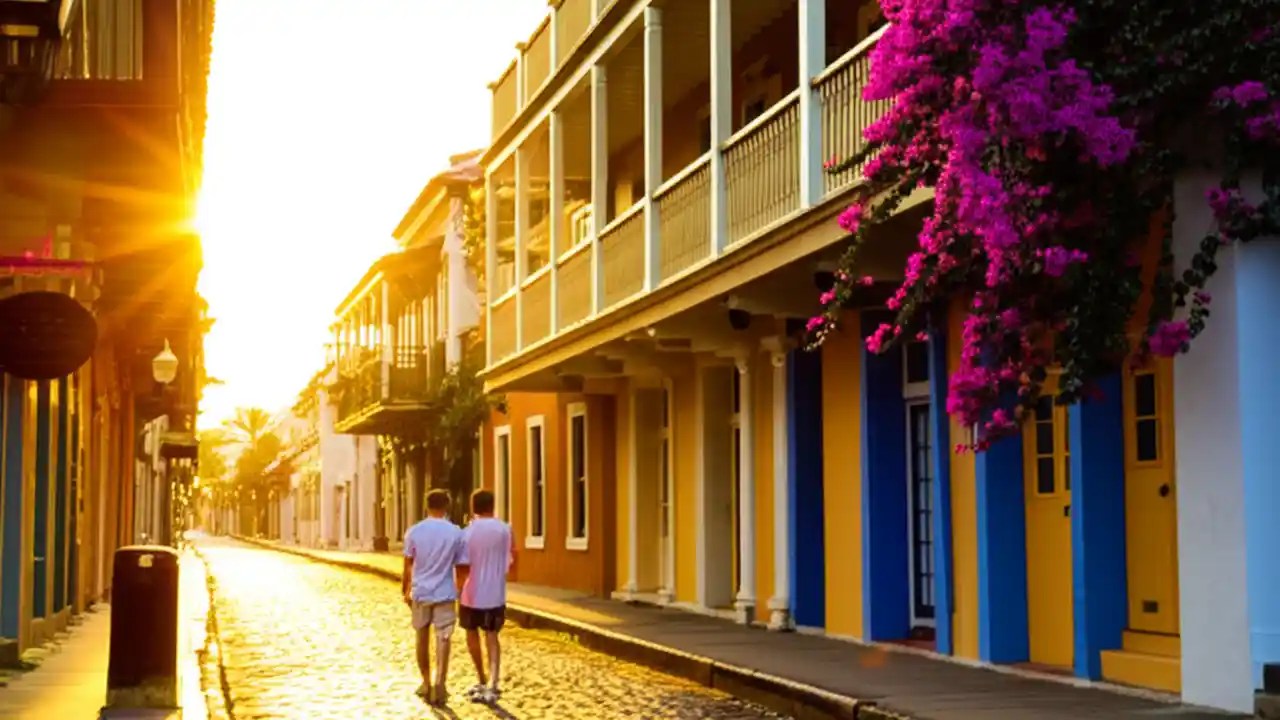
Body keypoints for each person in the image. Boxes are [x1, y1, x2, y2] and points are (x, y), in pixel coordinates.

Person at [402, 489, 465, 705]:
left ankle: (426, 682)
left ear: (426, 505)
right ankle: (440, 683)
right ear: (446, 506)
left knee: (421, 636)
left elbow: (408, 564)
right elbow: (461, 564)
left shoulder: (414, 532)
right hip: (445, 591)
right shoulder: (456, 532)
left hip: (421, 591)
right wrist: (461, 589)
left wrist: (405, 589)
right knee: (444, 637)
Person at [456, 489, 515, 704]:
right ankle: (493, 682)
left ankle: (480, 677)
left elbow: (462, 566)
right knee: (492, 636)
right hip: (495, 593)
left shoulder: (467, 533)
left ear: (473, 507)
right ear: (492, 505)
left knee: (471, 635)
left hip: (471, 594)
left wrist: (458, 589)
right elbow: (513, 558)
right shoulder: (505, 529)